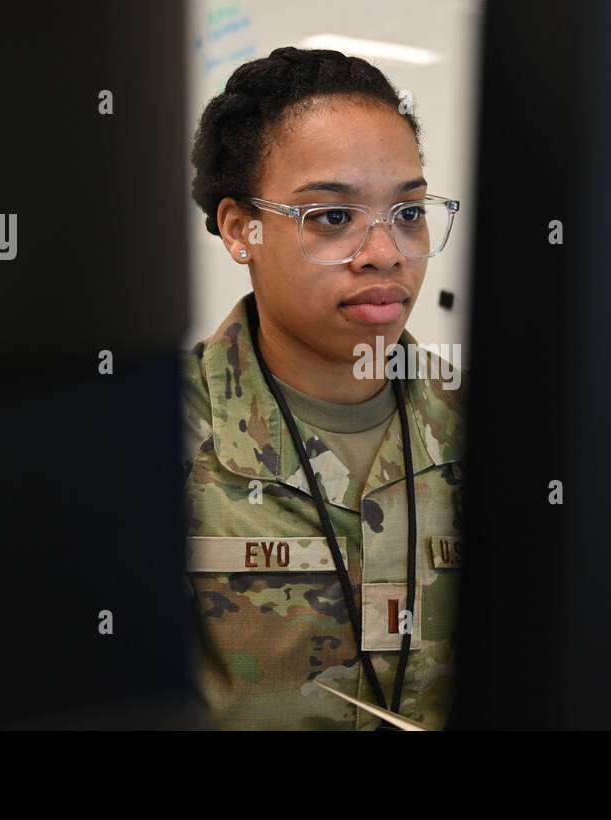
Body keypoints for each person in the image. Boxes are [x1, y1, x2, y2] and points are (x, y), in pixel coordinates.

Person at [183, 46, 466, 730]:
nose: (386, 252)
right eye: (333, 217)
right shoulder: (147, 435)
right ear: (238, 228)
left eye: (408, 211)